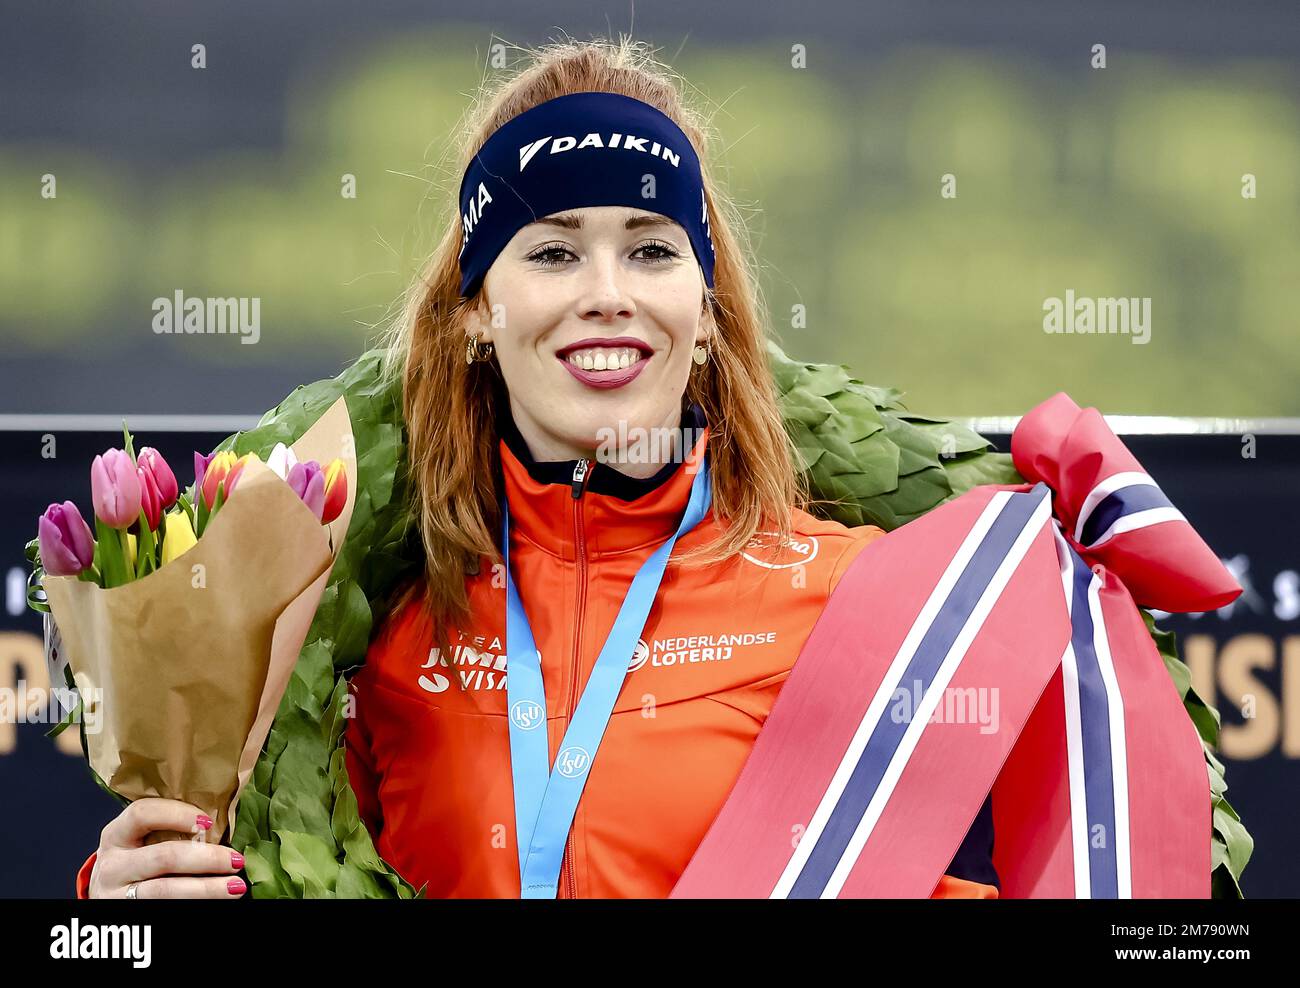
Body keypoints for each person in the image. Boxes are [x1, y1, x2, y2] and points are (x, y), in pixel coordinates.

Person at [76, 37, 998, 899]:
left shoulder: (856, 596)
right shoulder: (366, 624)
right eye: (554, 252)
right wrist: (129, 901)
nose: (607, 293)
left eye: (650, 248)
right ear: (477, 311)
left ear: (706, 310)